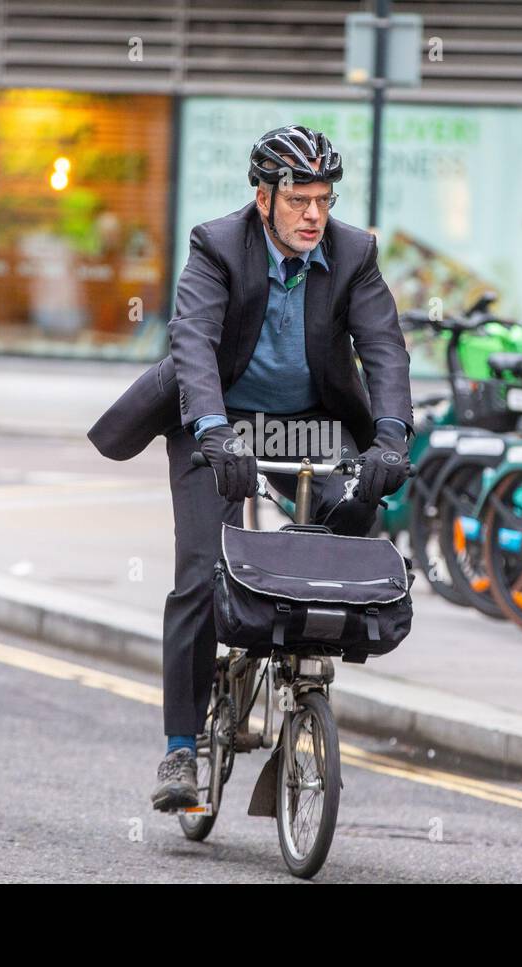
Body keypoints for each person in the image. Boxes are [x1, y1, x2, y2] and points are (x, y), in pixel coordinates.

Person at [86, 124, 414, 811]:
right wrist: (212, 432)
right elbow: (195, 343)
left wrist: (388, 437)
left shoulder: (353, 253)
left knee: (344, 536)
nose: (313, 214)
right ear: (263, 198)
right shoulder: (216, 246)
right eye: (299, 199)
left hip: (309, 422)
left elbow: (383, 347)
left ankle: (301, 684)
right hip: (219, 419)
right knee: (203, 570)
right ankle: (181, 746)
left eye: (323, 199)